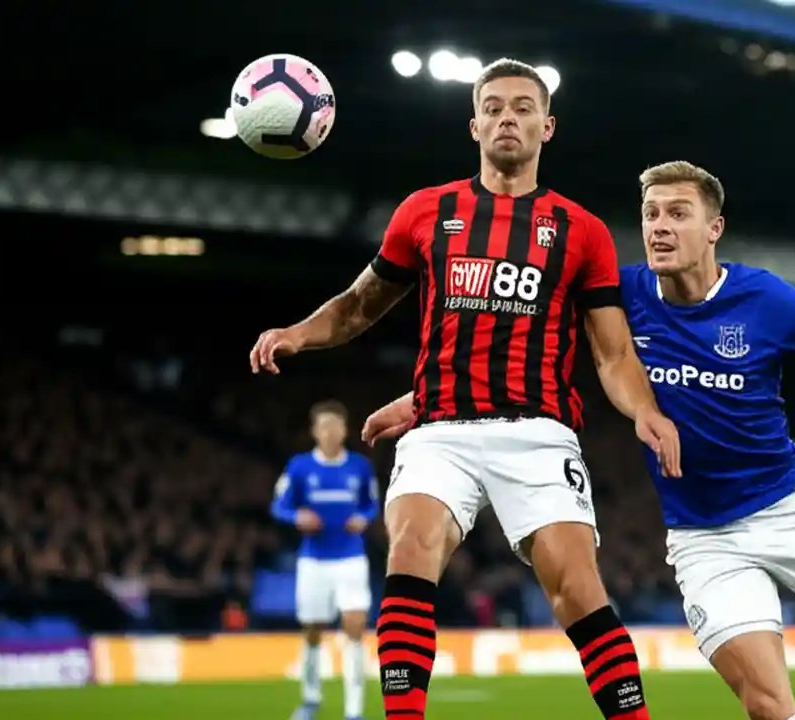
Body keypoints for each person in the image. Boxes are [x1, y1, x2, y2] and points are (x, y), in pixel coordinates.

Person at [363, 160, 795, 720]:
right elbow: (514, 348)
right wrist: (427, 400)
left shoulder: (768, 299)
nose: (659, 227)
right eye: (650, 214)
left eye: (678, 214)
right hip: (704, 540)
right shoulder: (619, 294)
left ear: (713, 229)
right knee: (768, 706)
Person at [250, 59, 680, 720]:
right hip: (440, 432)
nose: (508, 118)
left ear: (547, 126)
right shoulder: (426, 212)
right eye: (494, 107)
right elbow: (360, 305)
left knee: (577, 590)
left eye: (523, 107)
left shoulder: (582, 230)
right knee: (410, 550)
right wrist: (298, 334)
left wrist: (644, 410)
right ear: (474, 125)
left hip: (537, 432)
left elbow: (613, 351)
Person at [271, 400, 379, 720]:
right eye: (324, 426)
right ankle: (310, 698)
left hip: (351, 557)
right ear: (314, 431)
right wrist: (297, 517)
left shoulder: (360, 467)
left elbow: (372, 504)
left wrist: (363, 518)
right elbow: (279, 506)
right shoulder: (299, 467)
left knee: (355, 627)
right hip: (314, 560)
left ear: (345, 430)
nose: (330, 432)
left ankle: (354, 710)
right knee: (312, 630)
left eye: (335, 426)